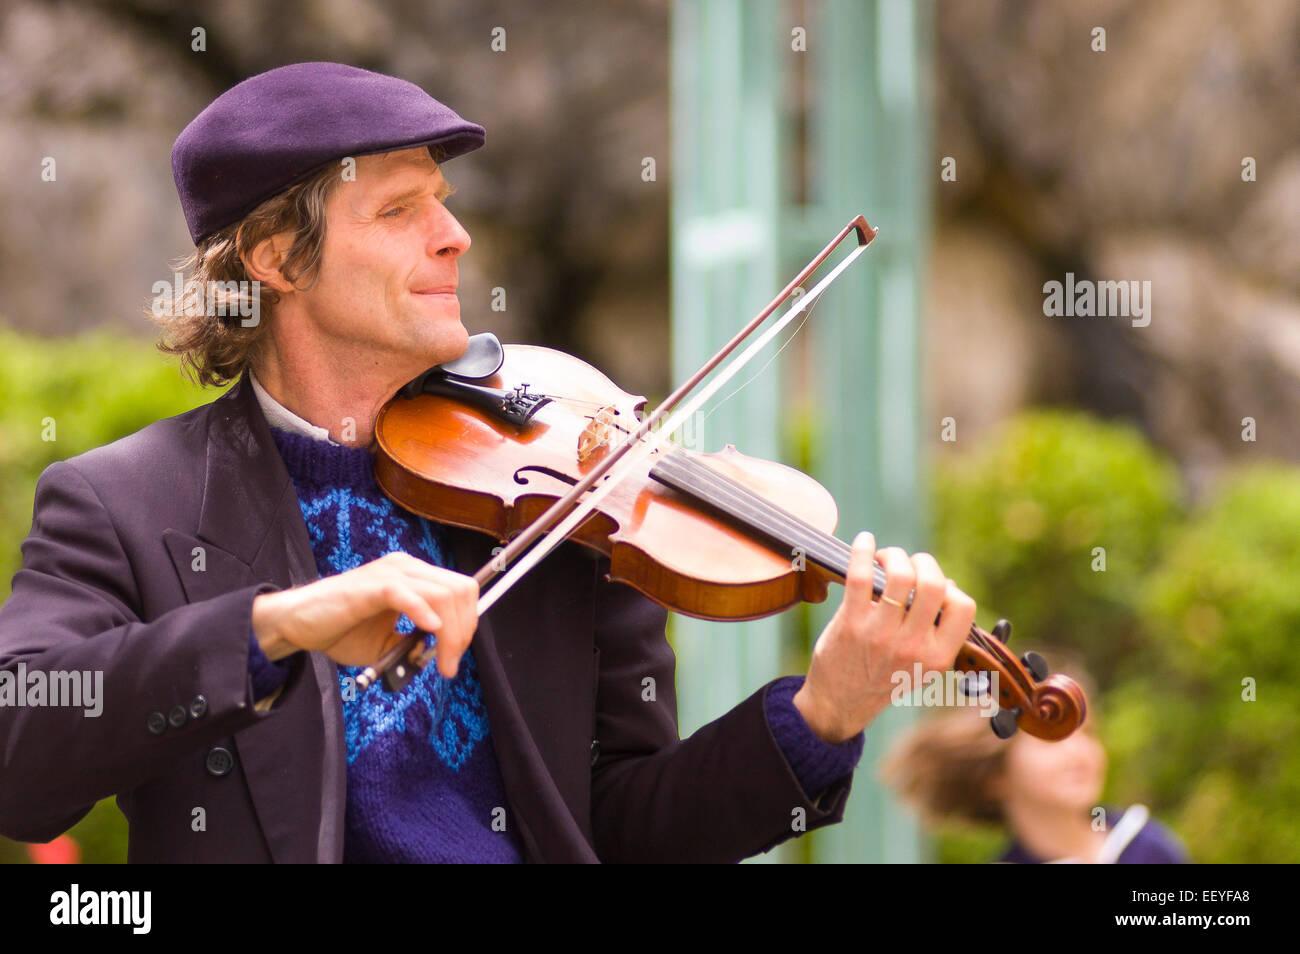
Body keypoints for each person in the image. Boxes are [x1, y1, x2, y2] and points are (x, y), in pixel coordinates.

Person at [0, 62, 977, 863]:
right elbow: (19, 757)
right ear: (272, 256)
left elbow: (627, 830)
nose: (453, 235)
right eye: (398, 211)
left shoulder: (562, 494)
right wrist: (277, 627)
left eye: (445, 202)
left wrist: (822, 714)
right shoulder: (122, 502)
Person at [879, 676, 1189, 864]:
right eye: (1051, 737)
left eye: (1088, 731)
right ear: (996, 777)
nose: (1078, 750)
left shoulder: (1148, 845)